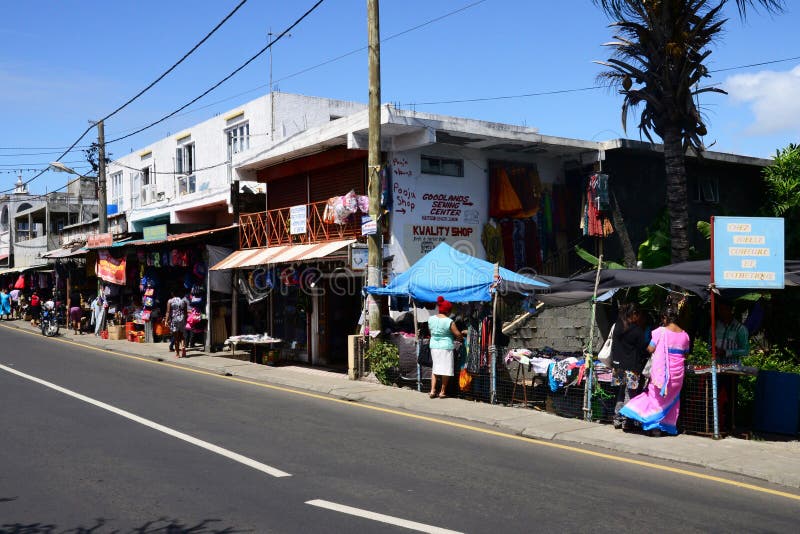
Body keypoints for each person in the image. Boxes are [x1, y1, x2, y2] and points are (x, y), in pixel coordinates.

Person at [619, 295, 690, 436]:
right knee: (672, 402)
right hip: (677, 377)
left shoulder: (659, 332)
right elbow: (685, 354)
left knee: (654, 399)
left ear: (664, 318)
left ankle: (655, 427)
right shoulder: (685, 335)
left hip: (661, 377)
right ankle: (668, 427)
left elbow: (650, 349)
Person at [610, 303, 648, 430]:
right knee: (630, 393)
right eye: (638, 315)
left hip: (618, 366)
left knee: (621, 392)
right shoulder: (637, 331)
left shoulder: (618, 326)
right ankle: (627, 420)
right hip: (632, 367)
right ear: (633, 314)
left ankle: (617, 419)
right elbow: (643, 349)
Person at [427, 296, 464, 399]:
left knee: (435, 368)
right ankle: (442, 392)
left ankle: (432, 391)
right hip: (446, 347)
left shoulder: (431, 319)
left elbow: (431, 333)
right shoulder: (449, 321)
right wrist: (461, 337)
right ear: (448, 310)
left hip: (434, 346)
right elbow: (457, 334)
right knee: (446, 370)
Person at [165, 289, 187, 358]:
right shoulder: (183, 301)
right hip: (182, 319)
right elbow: (185, 312)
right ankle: (183, 346)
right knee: (181, 335)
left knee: (176, 337)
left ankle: (177, 354)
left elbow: (168, 312)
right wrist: (185, 320)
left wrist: (166, 320)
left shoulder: (170, 301)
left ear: (172, 294)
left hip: (174, 320)